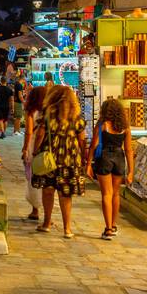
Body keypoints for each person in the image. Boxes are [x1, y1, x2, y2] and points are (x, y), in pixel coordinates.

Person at [31, 84, 89, 239]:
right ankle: (67, 228)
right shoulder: (77, 118)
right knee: (66, 194)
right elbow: (82, 140)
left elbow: (40, 135)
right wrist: (83, 157)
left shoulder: (48, 115)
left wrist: (35, 151)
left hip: (49, 158)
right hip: (70, 160)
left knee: (48, 191)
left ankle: (47, 223)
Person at [90, 98, 134, 240]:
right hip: (119, 158)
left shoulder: (102, 125)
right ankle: (114, 225)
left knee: (106, 194)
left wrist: (88, 163)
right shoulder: (125, 127)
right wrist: (131, 171)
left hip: (104, 158)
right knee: (115, 194)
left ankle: (108, 228)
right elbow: (128, 149)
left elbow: (93, 145)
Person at [20, 84, 47, 221]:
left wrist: (25, 148)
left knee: (32, 177)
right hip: (46, 147)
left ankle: (35, 209)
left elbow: (29, 132)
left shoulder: (30, 111)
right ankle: (45, 211)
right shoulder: (47, 112)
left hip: (33, 146)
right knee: (45, 178)